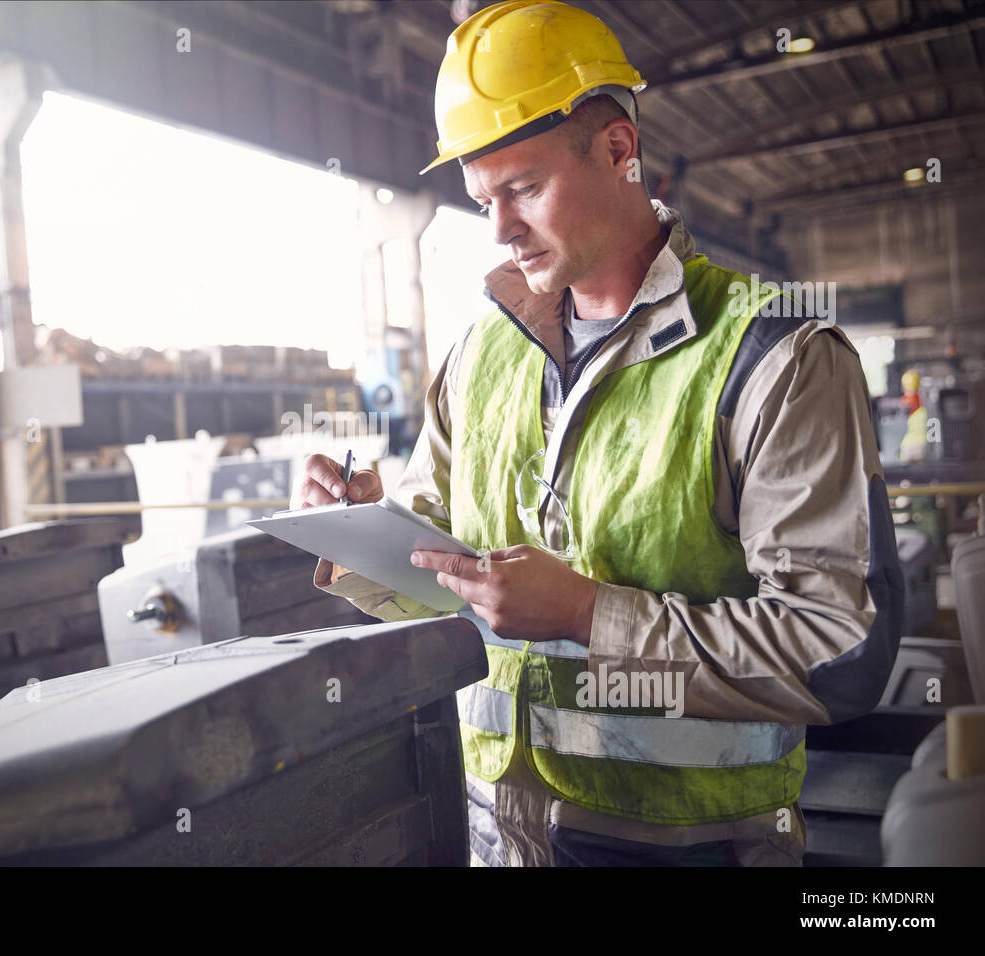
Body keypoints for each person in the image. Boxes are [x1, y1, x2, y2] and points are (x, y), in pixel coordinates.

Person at [294, 0, 903, 866]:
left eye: (524, 189)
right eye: (480, 198)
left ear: (619, 150)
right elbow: (440, 578)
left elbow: (840, 652)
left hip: (690, 846)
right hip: (495, 834)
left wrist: (587, 613)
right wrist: (360, 530)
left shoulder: (774, 357)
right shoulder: (479, 357)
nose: (498, 228)